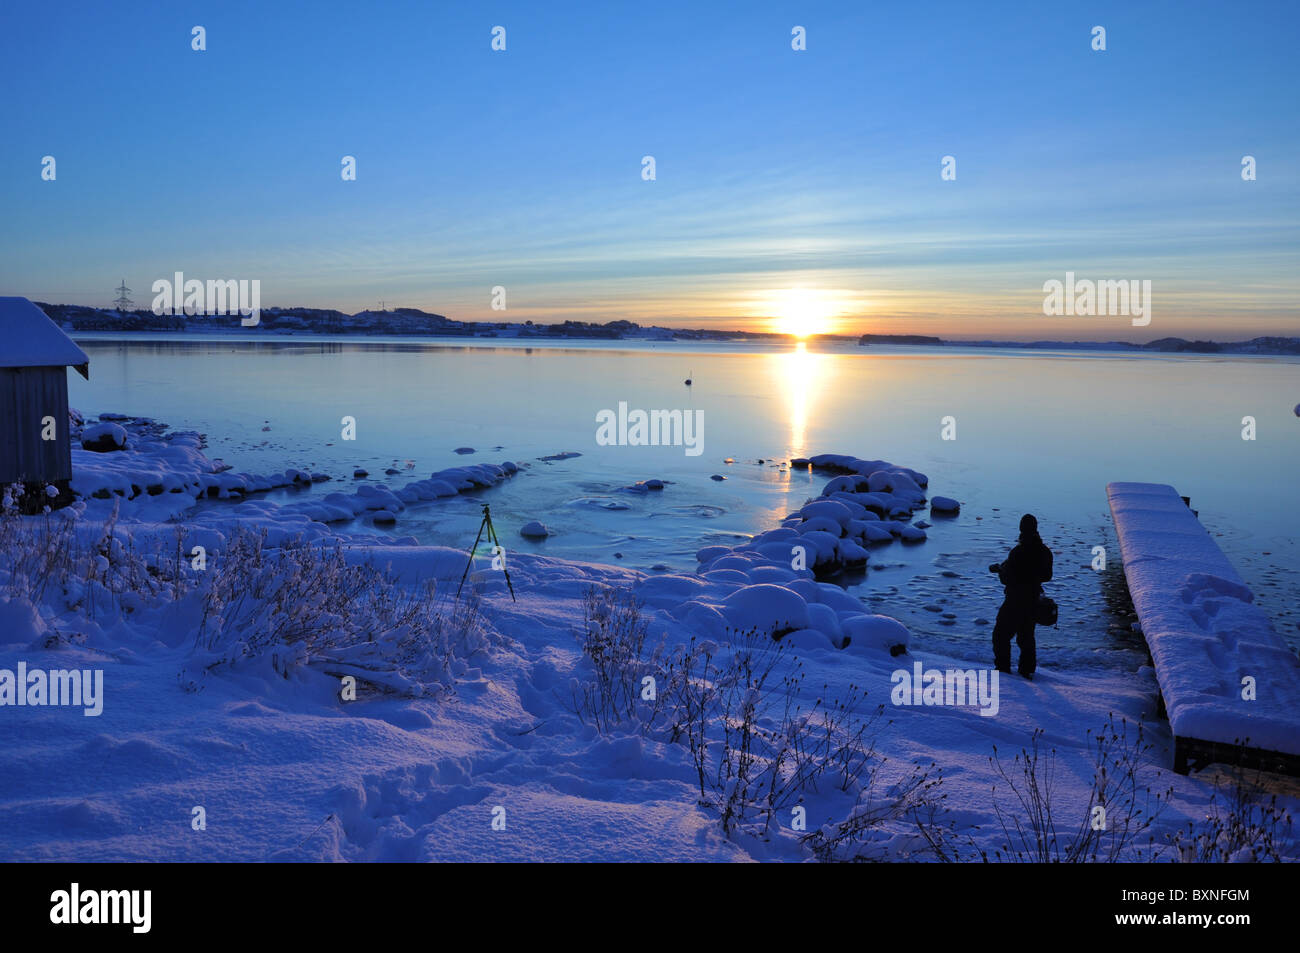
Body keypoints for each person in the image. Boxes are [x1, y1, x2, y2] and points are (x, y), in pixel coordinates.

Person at [988, 514, 1053, 679]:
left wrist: (1001, 571)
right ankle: (1027, 671)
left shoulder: (1018, 551)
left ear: (1021, 529)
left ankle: (1002, 670)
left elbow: (1008, 579)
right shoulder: (1045, 551)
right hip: (1033, 599)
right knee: (1026, 637)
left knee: (1000, 635)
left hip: (1015, 600)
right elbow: (1047, 576)